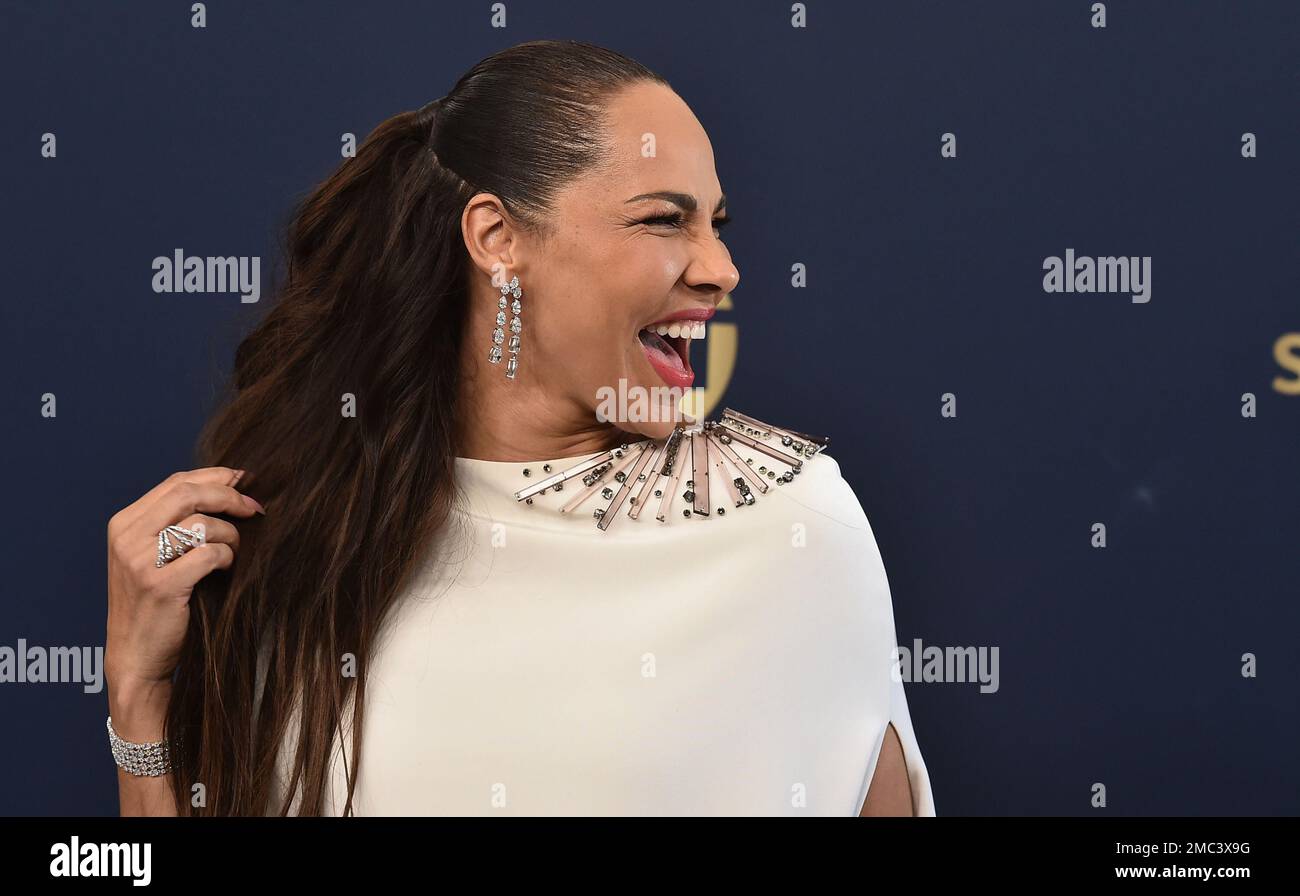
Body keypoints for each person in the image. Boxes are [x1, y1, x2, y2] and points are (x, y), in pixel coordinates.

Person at [104, 39, 935, 816]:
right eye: (662, 220)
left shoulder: (792, 532)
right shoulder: (308, 540)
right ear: (498, 239)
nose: (720, 269)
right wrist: (140, 704)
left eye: (717, 223)